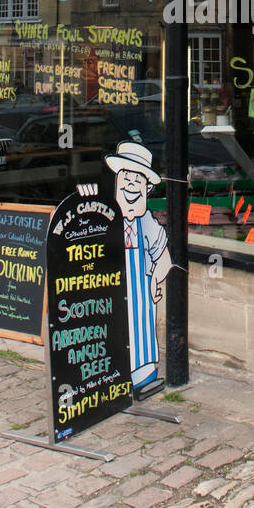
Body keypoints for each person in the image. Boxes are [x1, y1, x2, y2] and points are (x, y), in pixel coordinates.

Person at [105, 140, 172, 392]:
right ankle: (113, 378)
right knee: (117, 332)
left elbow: (163, 257)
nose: (132, 185)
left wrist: (155, 278)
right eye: (127, 179)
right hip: (113, 291)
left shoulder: (148, 223)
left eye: (138, 180)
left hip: (142, 295)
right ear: (117, 183)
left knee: (142, 336)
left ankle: (144, 378)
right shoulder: (106, 217)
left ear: (146, 188)